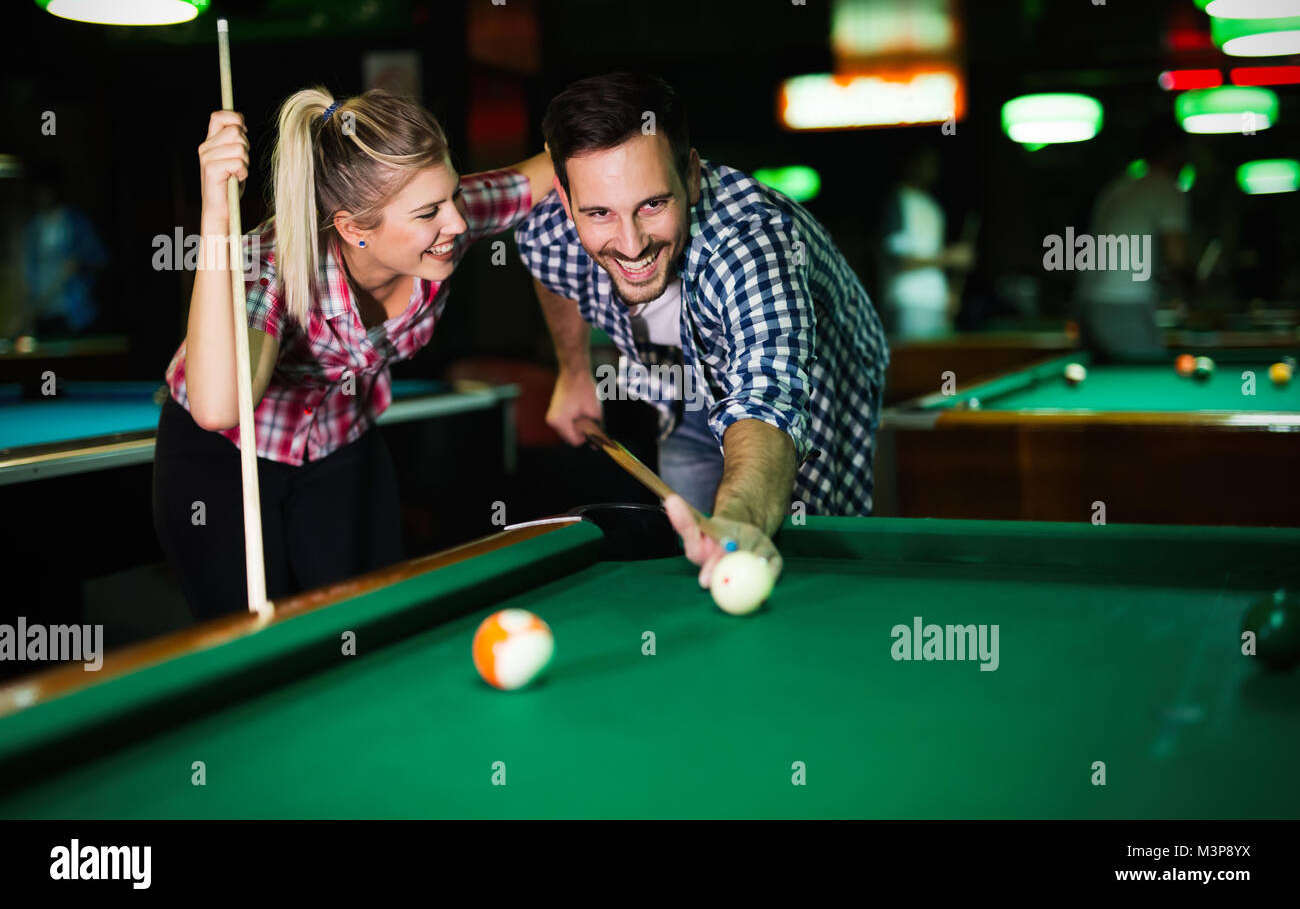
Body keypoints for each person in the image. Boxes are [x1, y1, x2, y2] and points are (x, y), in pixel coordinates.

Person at [154, 88, 553, 620]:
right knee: (249, 645)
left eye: (454, 196)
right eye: (430, 212)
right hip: (227, 459)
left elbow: (560, 167)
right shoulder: (271, 265)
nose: (457, 222)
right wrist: (215, 216)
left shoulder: (443, 217)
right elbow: (218, 408)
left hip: (343, 441)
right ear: (351, 228)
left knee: (370, 624)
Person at [515, 72, 889, 586]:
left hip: (815, 379)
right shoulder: (548, 228)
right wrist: (574, 371)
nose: (630, 244)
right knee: (697, 550)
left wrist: (739, 524)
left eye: (652, 204)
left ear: (690, 176)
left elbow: (767, 398)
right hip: (683, 387)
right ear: (563, 195)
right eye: (600, 213)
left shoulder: (753, 245)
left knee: (812, 545)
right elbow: (550, 267)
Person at [1072, 121, 1193, 362]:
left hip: (1086, 305)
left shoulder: (1118, 187)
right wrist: (1195, 288)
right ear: (1176, 152)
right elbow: (1176, 257)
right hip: (1121, 307)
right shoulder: (1166, 188)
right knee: (1154, 384)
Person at [877, 145, 974, 339]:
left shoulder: (934, 207)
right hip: (909, 301)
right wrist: (949, 258)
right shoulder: (898, 200)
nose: (931, 169)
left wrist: (948, 294)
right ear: (911, 164)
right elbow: (899, 261)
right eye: (926, 163)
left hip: (937, 302)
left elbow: (936, 255)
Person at [20, 161, 109, 338]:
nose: (42, 195)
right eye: (38, 191)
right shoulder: (32, 229)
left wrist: (80, 263)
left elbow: (101, 259)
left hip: (74, 315)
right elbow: (28, 273)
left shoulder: (76, 223)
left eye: (46, 190)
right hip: (42, 312)